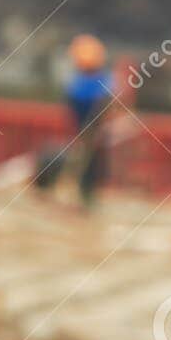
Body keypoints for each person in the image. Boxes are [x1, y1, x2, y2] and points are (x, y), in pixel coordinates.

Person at [62, 34, 115, 210]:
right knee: (88, 164)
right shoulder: (84, 84)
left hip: (91, 129)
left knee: (90, 163)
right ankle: (86, 196)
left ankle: (87, 196)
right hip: (88, 129)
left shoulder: (91, 82)